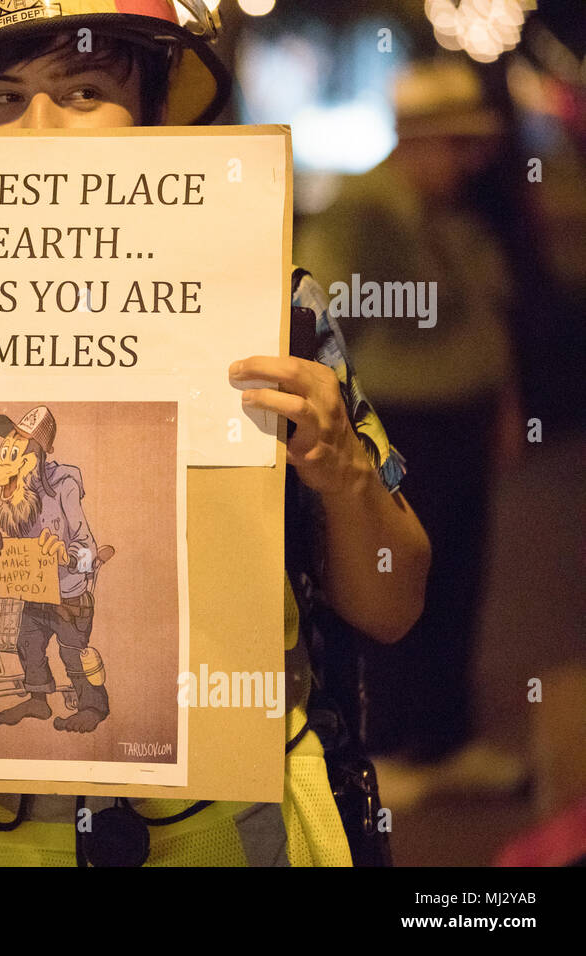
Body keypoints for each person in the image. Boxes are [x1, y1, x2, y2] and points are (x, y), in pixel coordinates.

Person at [0, 0, 431, 866]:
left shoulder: (269, 308)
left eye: (81, 92)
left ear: (149, 114)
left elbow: (395, 603)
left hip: (223, 830)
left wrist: (346, 477)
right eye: (1, 99)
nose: (39, 131)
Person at [295, 58, 525, 804]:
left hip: (459, 416)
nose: (471, 159)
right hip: (402, 423)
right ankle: (390, 742)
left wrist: (501, 404)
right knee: (394, 582)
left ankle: (444, 740)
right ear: (417, 141)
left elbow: (487, 312)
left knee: (458, 581)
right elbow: (324, 318)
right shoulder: (368, 209)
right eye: (456, 143)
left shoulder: (452, 208)